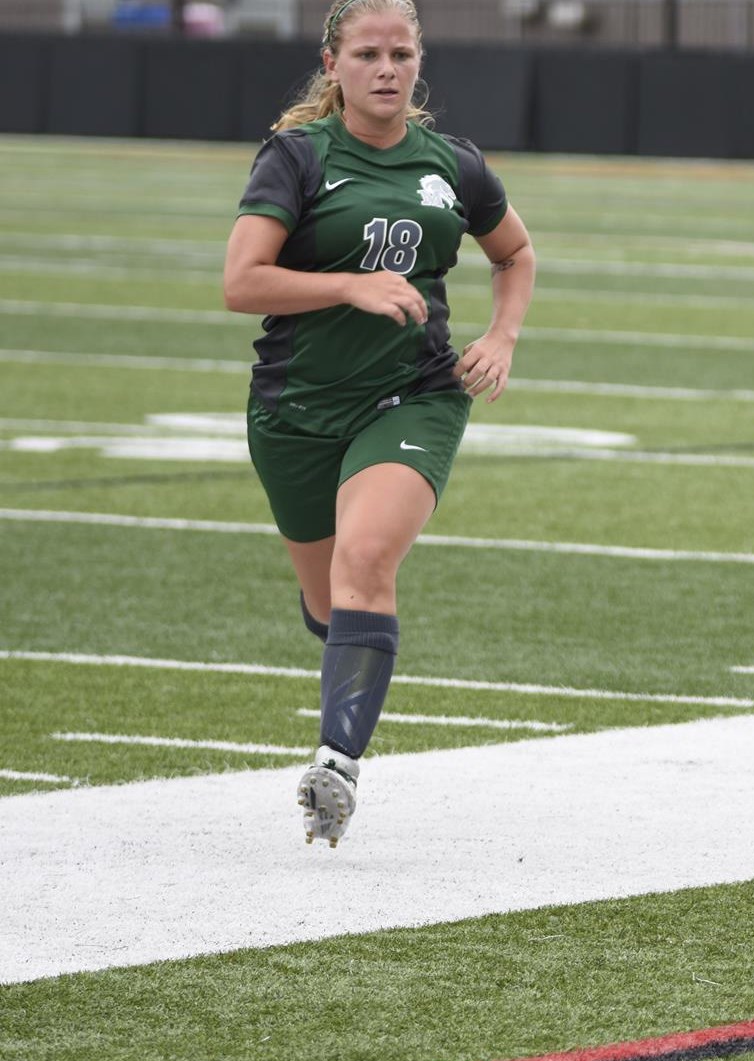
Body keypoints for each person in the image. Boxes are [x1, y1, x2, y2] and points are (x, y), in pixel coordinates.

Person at [222, 0, 536, 848]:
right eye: (367, 53)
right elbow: (242, 281)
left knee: (368, 559)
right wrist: (349, 283)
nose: (387, 68)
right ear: (334, 65)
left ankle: (337, 764)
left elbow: (514, 253)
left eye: (401, 52)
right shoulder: (297, 157)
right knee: (331, 600)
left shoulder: (453, 164)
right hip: (295, 407)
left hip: (416, 394)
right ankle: (340, 639)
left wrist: (501, 336)